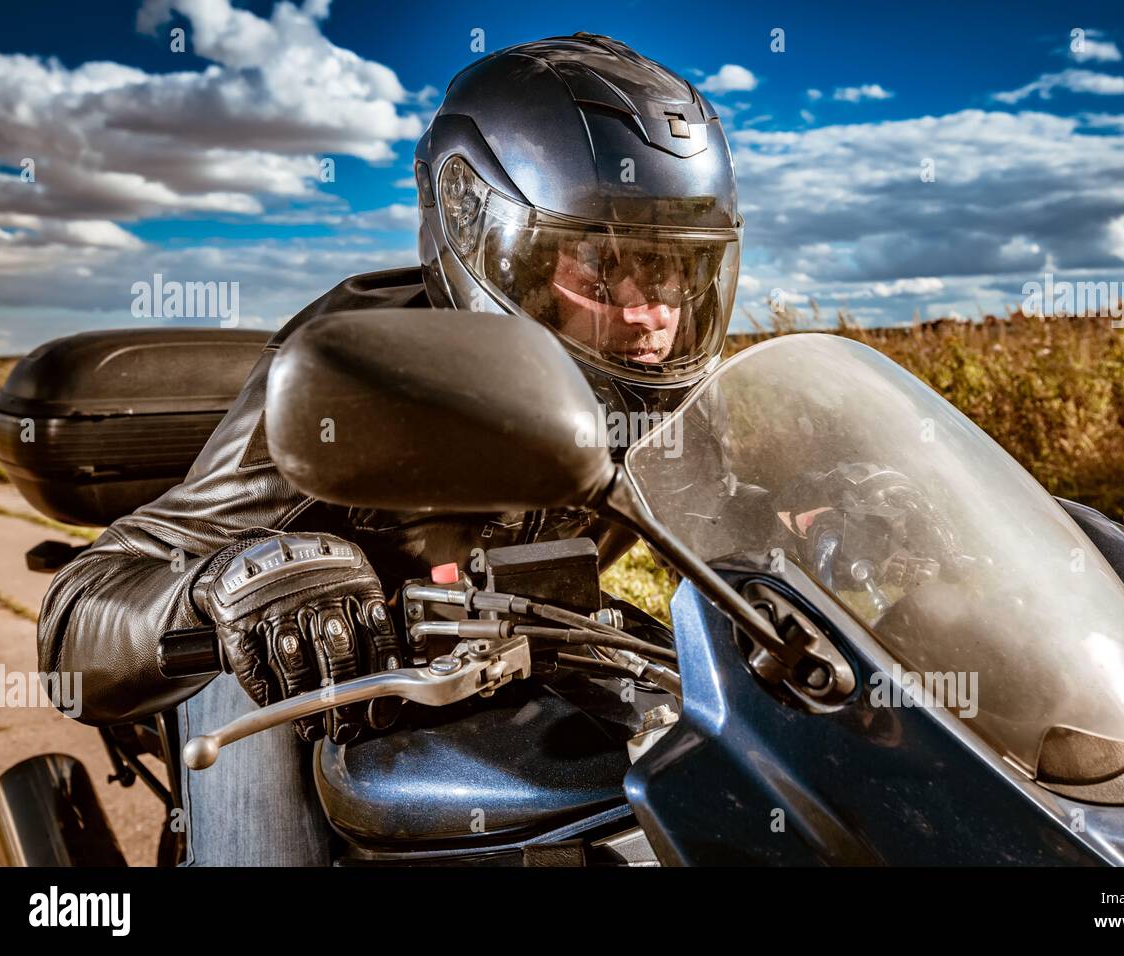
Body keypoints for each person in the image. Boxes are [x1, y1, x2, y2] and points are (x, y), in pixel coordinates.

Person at [36, 33, 742, 866]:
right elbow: (75, 619)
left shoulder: (652, 385)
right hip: (306, 683)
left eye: (671, 272)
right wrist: (218, 590)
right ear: (489, 238)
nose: (648, 315)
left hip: (508, 664)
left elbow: (736, 510)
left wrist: (851, 507)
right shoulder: (355, 376)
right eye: (602, 268)